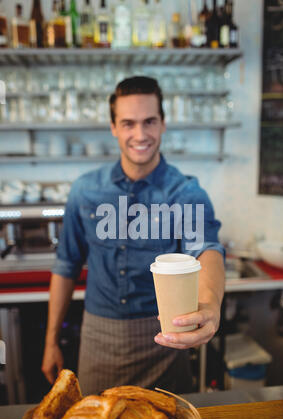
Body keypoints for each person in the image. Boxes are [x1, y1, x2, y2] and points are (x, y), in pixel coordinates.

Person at [41, 76, 225, 395]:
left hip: (164, 339)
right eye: (128, 123)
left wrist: (210, 303)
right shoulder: (85, 190)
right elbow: (66, 264)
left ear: (163, 124)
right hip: (98, 338)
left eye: (149, 121)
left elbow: (206, 249)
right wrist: (51, 341)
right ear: (113, 127)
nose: (140, 135)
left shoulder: (185, 192)